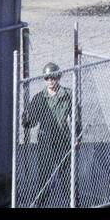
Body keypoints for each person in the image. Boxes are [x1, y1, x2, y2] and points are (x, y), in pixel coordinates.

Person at [23, 62, 76, 206]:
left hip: (62, 140)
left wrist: (77, 137)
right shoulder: (39, 98)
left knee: (66, 176)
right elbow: (32, 122)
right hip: (45, 141)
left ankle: (72, 203)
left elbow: (76, 117)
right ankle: (41, 203)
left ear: (58, 77)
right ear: (44, 79)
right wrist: (25, 120)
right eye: (47, 78)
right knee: (44, 177)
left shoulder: (68, 95)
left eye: (53, 77)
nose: (50, 81)